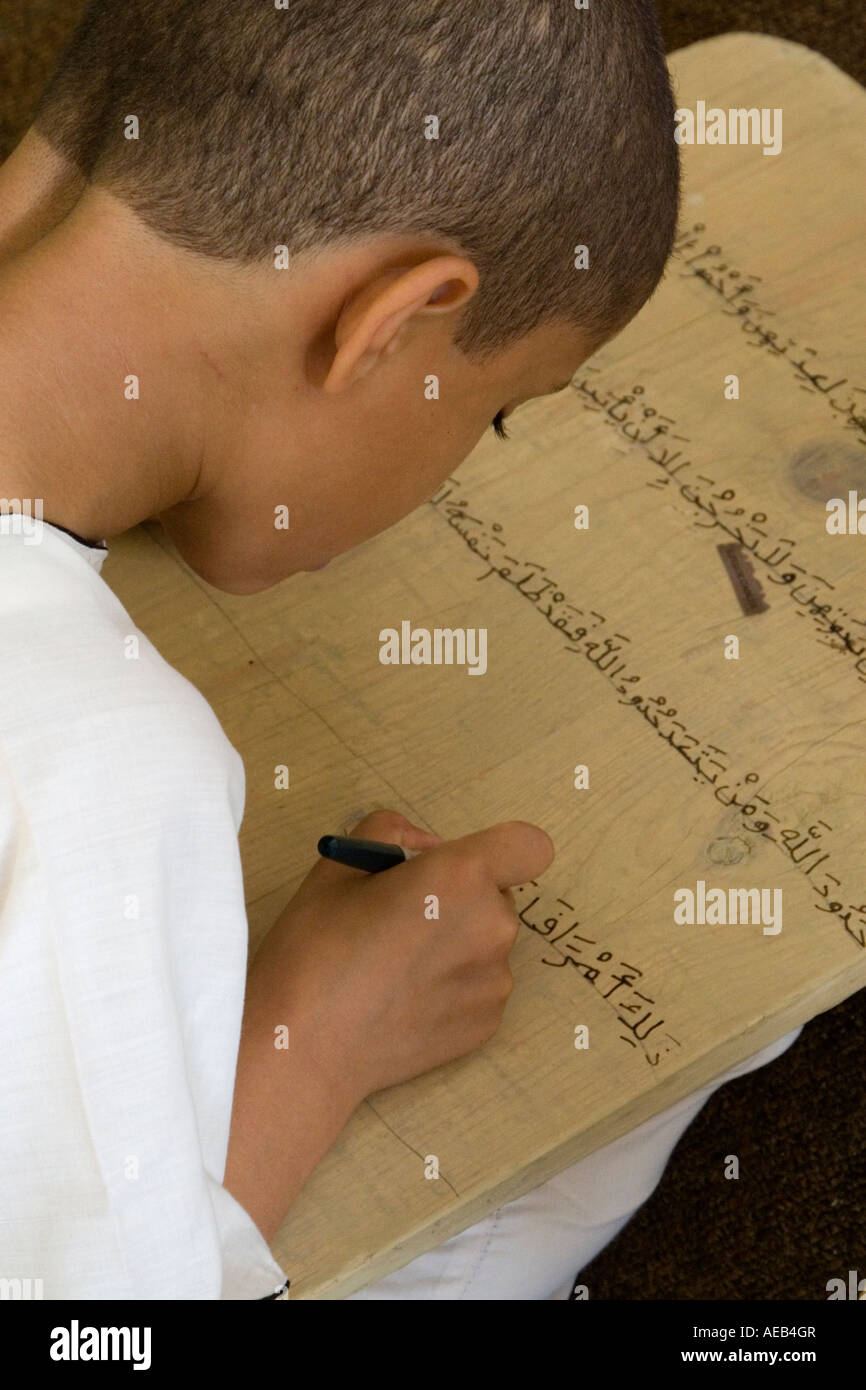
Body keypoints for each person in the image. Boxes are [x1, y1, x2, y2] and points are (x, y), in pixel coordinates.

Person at [0, 0, 799, 1299]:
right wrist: (311, 1044)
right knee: (667, 1067)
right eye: (493, 416)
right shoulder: (90, 769)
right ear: (390, 326)